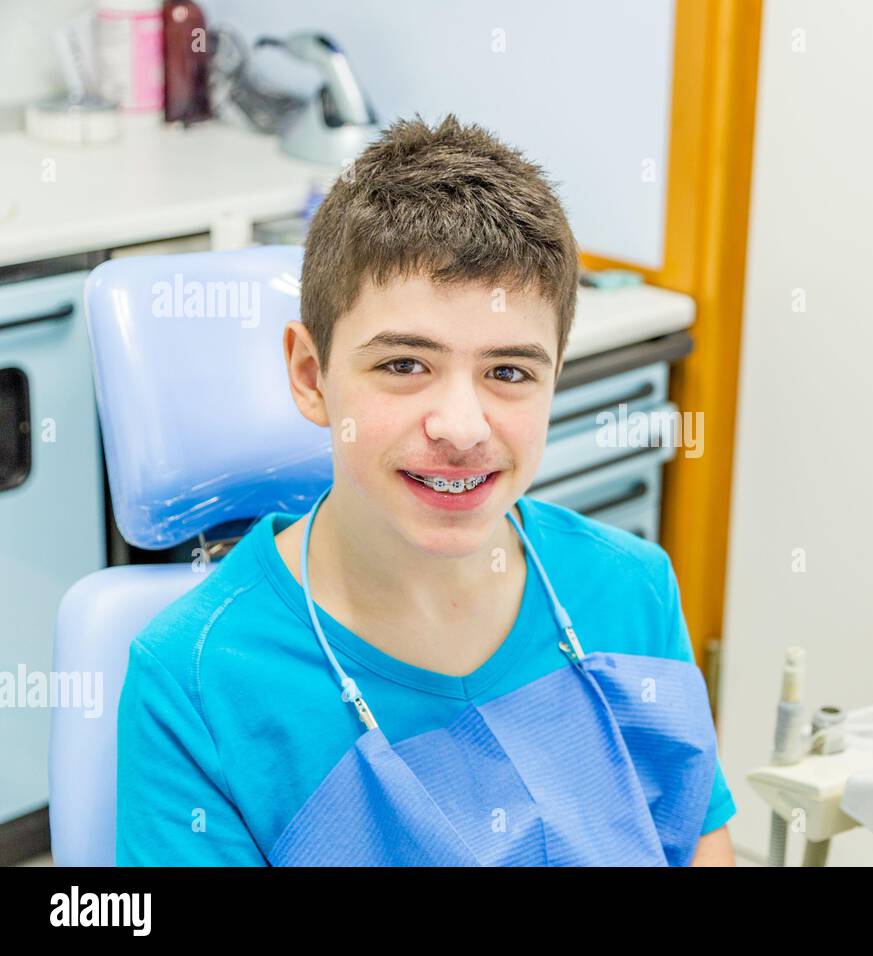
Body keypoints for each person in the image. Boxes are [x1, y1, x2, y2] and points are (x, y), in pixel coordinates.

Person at [115, 114, 737, 866]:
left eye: (509, 372)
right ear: (311, 376)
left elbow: (698, 842)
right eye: (405, 365)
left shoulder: (629, 589)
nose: (462, 427)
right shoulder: (196, 684)